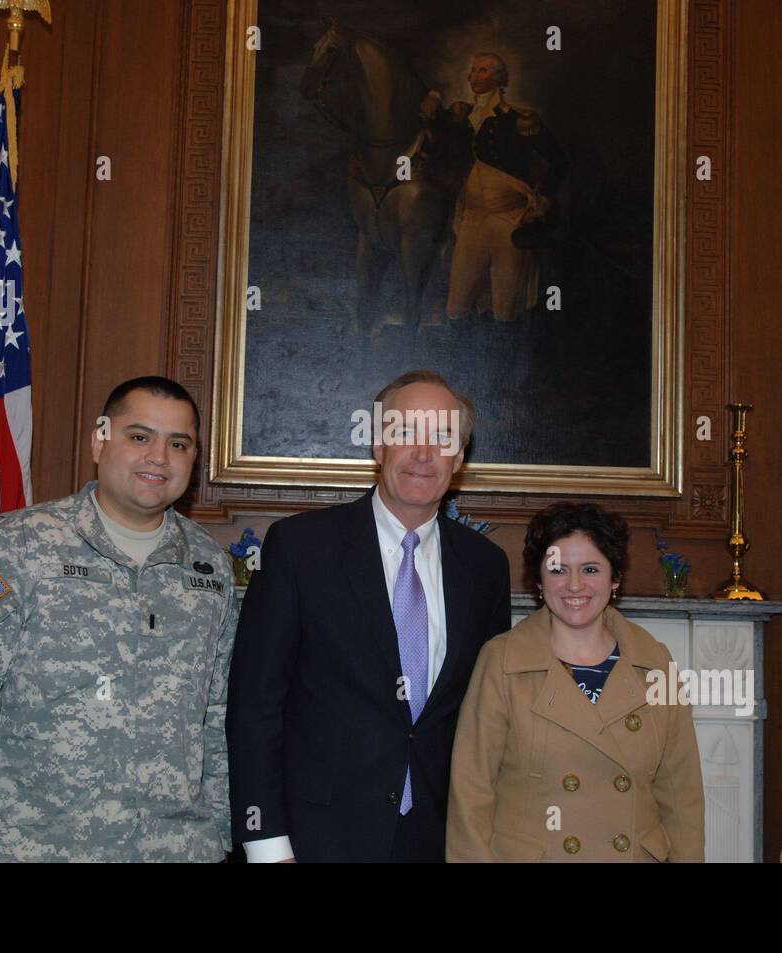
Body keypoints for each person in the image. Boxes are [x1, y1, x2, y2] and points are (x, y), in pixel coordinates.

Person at [0, 376, 237, 861]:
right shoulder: (20, 545)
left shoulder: (209, 566)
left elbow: (217, 715)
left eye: (178, 443)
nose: (158, 457)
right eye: (139, 436)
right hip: (35, 849)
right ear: (99, 440)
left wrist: (219, 831)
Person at [227, 369, 511, 862]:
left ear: (459, 458)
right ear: (378, 445)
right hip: (315, 840)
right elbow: (255, 705)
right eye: (405, 433)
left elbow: (488, 715)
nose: (423, 453)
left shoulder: (485, 567)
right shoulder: (301, 548)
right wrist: (267, 846)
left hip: (440, 840)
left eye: (442, 437)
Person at [447, 502, 705, 862]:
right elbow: (471, 791)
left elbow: (682, 795)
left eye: (590, 569)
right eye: (558, 569)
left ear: (615, 579)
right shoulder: (501, 662)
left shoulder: (654, 662)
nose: (574, 585)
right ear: (538, 580)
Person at [420, 53, 564, 325]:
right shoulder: (459, 117)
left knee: (505, 309)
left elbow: (559, 161)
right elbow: (435, 136)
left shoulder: (518, 120)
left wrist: (541, 202)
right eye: (472, 71)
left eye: (483, 71)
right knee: (457, 307)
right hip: (471, 219)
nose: (474, 76)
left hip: (507, 221)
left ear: (498, 78)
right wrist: (434, 95)